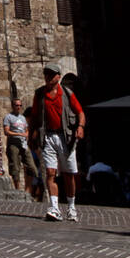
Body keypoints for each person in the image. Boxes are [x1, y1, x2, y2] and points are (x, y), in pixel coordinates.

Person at [30, 62, 85, 222]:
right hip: (47, 136)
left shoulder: (67, 94)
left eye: (51, 74)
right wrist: (31, 134)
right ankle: (54, 207)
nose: (47, 77)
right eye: (46, 74)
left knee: (69, 174)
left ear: (58, 77)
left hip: (66, 137)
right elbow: (34, 116)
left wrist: (80, 127)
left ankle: (71, 206)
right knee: (51, 172)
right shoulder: (39, 94)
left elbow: (80, 112)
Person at [3, 97, 38, 193]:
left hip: (23, 144)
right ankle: (17, 190)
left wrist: (26, 134)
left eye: (20, 105)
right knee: (15, 166)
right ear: (12, 106)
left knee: (32, 167)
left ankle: (32, 188)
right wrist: (18, 134)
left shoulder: (22, 118)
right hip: (13, 144)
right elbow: (6, 131)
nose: (18, 107)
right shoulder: (8, 117)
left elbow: (26, 129)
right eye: (16, 105)